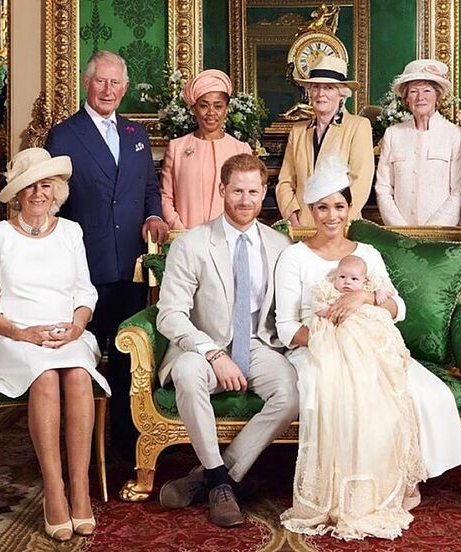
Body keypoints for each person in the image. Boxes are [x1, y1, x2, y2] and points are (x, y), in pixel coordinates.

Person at [275, 155, 461, 540]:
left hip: (374, 346)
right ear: (311, 210)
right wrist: (333, 340)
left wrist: (364, 297)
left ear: (350, 209)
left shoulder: (367, 254)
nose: (331, 216)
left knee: (419, 390)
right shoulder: (293, 257)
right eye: (322, 207)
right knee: (342, 394)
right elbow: (286, 328)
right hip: (318, 348)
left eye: (339, 206)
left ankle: (396, 481)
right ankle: (345, 493)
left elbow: (399, 309)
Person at [0, 148, 110, 542]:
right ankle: (54, 490)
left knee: (79, 376)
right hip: (11, 335)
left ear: (57, 191)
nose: (38, 194)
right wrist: (24, 333)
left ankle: (79, 489)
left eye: (45, 186)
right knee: (46, 376)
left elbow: (85, 292)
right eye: (30, 186)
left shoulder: (71, 232)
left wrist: (77, 325)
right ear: (18, 193)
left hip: (67, 333)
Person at [155, 153, 298, 528]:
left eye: (253, 192)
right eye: (237, 191)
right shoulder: (192, 244)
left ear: (264, 192)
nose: (245, 200)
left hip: (258, 344)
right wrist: (213, 353)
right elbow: (170, 314)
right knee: (187, 372)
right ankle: (220, 483)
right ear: (222, 190)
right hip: (204, 346)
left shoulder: (281, 245)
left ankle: (213, 476)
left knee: (290, 393)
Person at [45, 50, 168, 456]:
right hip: (85, 265)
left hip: (131, 264)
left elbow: (149, 189)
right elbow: (53, 202)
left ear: (125, 88)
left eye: (116, 83)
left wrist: (154, 216)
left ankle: (126, 444)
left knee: (129, 356)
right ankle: (82, 445)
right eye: (101, 81)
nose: (108, 90)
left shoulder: (136, 134)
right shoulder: (64, 135)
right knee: (83, 356)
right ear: (87, 83)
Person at [276, 55, 374, 227]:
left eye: (328, 88)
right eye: (316, 87)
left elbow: (361, 180)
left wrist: (339, 219)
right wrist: (292, 214)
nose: (321, 94)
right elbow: (286, 180)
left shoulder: (358, 126)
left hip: (341, 225)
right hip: (302, 225)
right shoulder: (298, 131)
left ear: (341, 94)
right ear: (309, 92)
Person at [375, 59, 461, 226]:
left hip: (442, 233)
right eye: (413, 91)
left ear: (437, 96)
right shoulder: (393, 134)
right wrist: (400, 229)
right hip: (399, 233)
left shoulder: (455, 135)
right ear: (406, 99)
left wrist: (434, 231)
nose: (420, 98)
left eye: (427, 90)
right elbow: (383, 188)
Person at [159, 69, 252, 229]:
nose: (211, 113)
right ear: (194, 109)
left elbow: (247, 199)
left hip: (228, 236)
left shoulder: (241, 149)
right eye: (204, 106)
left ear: (227, 109)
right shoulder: (176, 148)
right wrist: (180, 231)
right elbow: (165, 196)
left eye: (218, 106)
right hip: (185, 235)